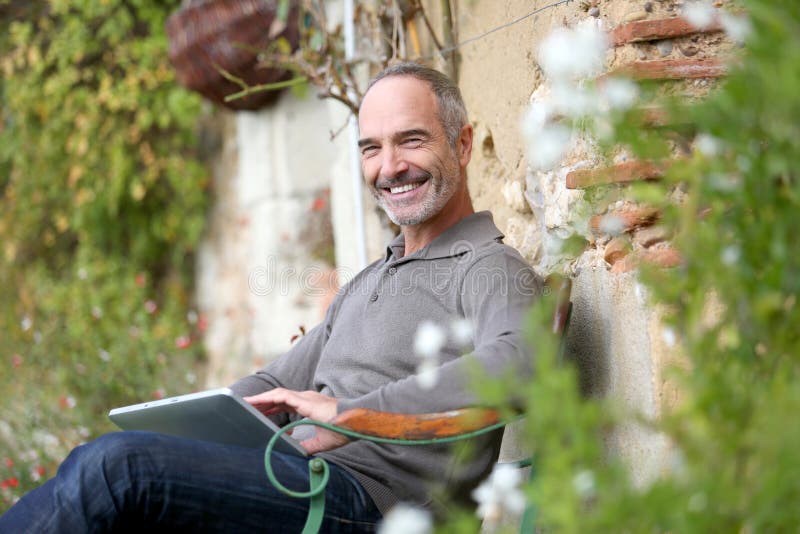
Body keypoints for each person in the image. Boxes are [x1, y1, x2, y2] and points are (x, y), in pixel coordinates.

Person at [0, 62, 540, 533]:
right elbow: (276, 384)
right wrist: (201, 421)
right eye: (372, 148)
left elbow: (517, 361)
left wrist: (348, 415)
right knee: (104, 471)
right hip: (304, 481)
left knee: (118, 470)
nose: (389, 166)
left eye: (412, 140)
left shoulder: (488, 266)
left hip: (373, 504)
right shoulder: (373, 278)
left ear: (462, 144)